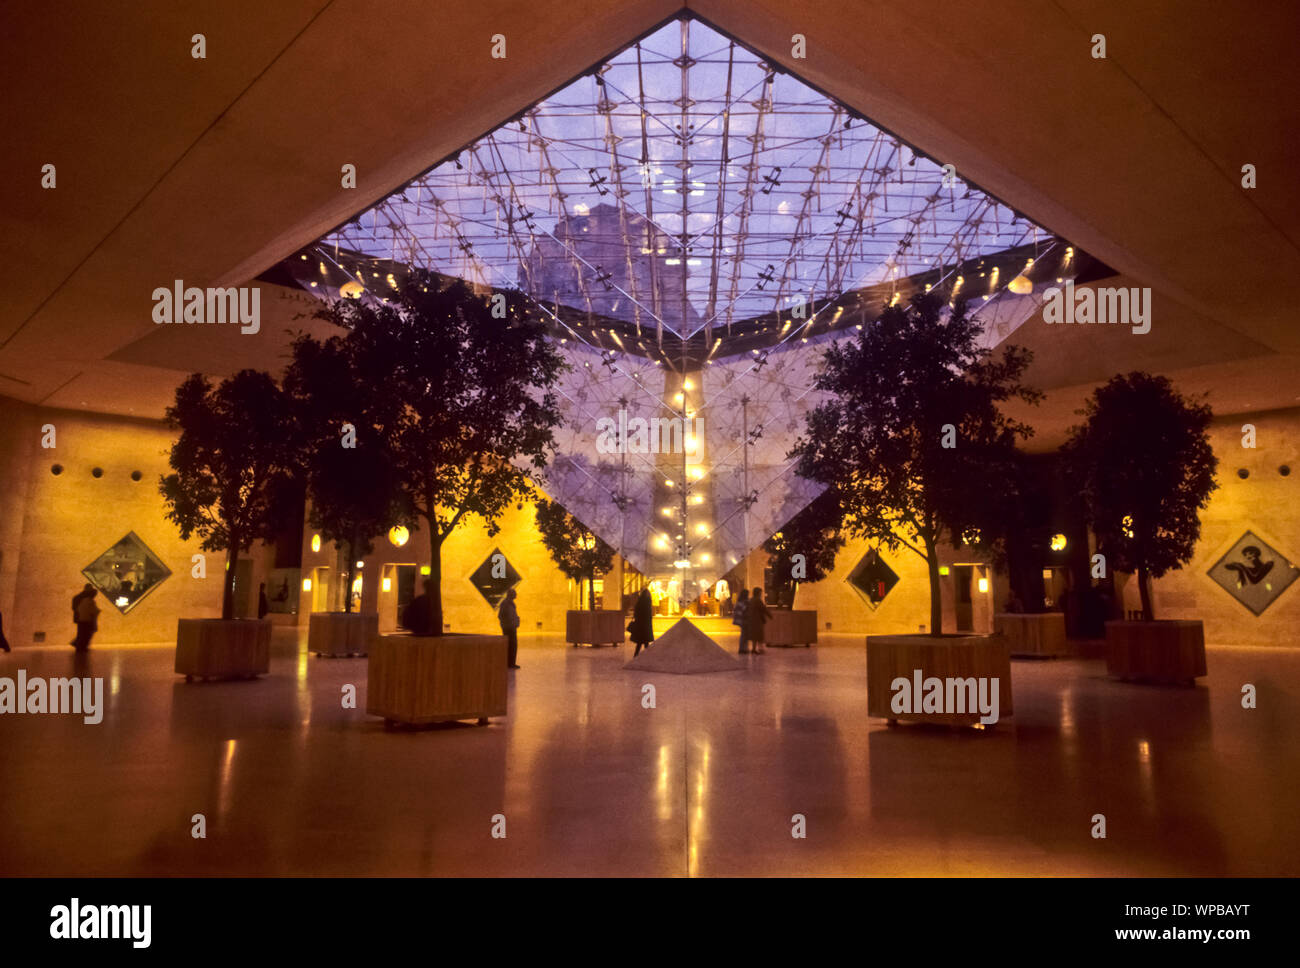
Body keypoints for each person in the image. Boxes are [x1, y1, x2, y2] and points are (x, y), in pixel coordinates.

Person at [73, 585, 101, 652]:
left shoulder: (80, 599)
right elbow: (93, 611)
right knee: (86, 634)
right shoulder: (89, 601)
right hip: (87, 620)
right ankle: (81, 646)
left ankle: (79, 646)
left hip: (81, 619)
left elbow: (76, 608)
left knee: (81, 633)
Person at [498, 587, 521, 669]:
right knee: (511, 646)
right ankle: (510, 663)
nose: (516, 595)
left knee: (513, 646)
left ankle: (511, 663)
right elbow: (501, 616)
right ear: (510, 594)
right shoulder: (506, 604)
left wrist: (516, 620)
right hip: (509, 628)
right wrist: (508, 623)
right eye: (514, 593)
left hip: (511, 627)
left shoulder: (510, 603)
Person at [628, 587, 654, 657]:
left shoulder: (640, 601)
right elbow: (649, 615)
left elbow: (636, 613)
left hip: (640, 626)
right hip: (646, 626)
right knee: (646, 642)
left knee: (640, 642)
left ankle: (636, 656)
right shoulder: (648, 602)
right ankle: (646, 656)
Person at [746, 587, 770, 655]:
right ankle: (760, 649)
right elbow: (763, 609)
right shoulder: (758, 600)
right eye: (760, 593)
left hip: (752, 620)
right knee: (759, 635)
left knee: (754, 636)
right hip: (757, 620)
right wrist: (770, 615)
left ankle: (753, 649)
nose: (761, 594)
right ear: (758, 593)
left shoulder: (751, 600)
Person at [733, 587, 750, 654]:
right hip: (744, 620)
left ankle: (743, 648)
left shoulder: (738, 602)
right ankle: (743, 649)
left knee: (743, 634)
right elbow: (745, 609)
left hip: (740, 620)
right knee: (744, 635)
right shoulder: (744, 602)